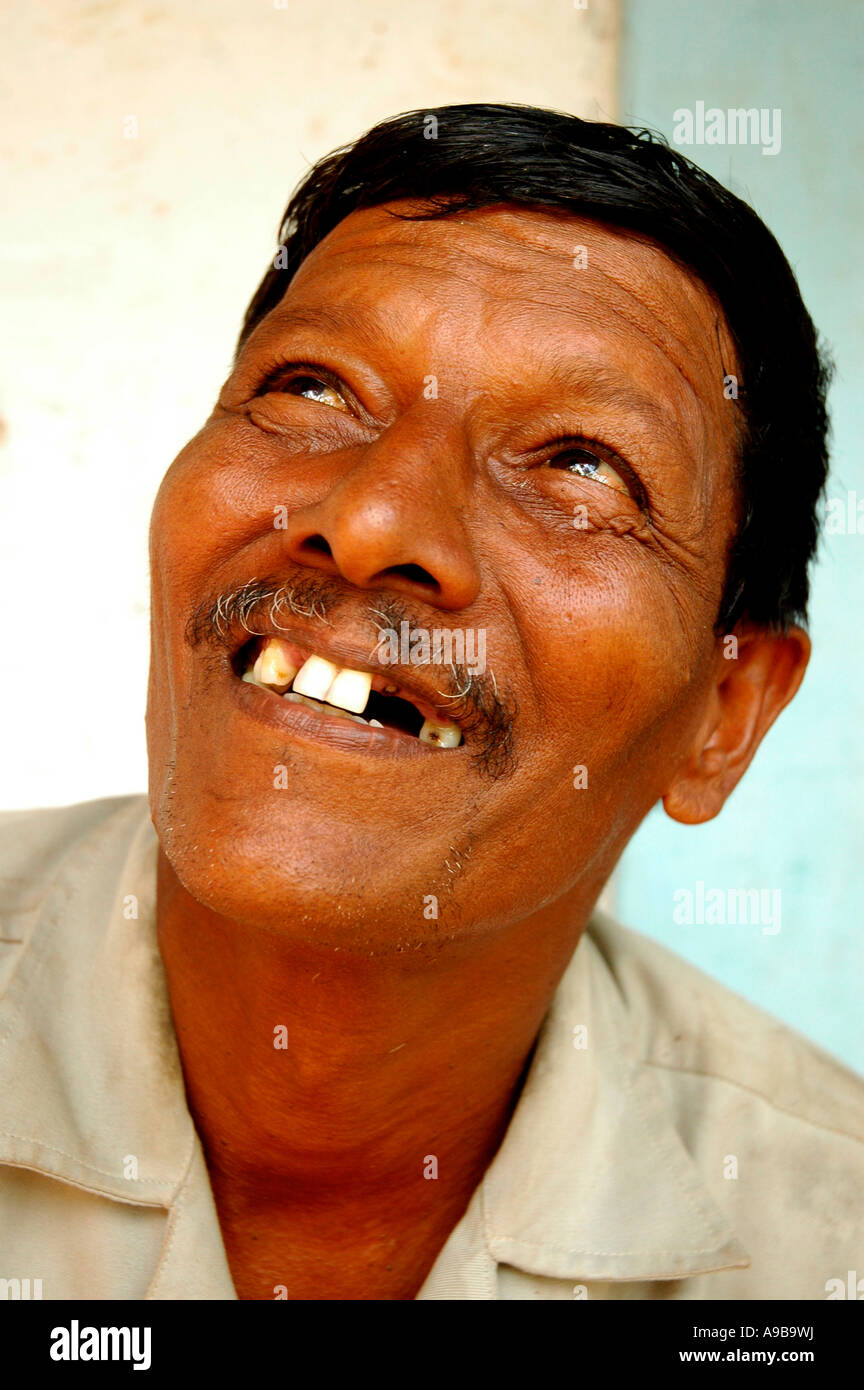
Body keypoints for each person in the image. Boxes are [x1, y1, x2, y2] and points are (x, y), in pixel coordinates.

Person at [1, 103, 861, 1302]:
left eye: (577, 464)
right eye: (313, 387)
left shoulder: (824, 1247)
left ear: (725, 712)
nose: (367, 523)